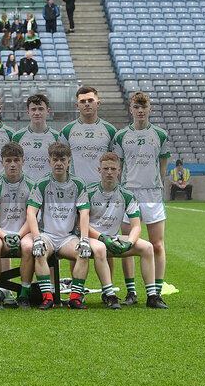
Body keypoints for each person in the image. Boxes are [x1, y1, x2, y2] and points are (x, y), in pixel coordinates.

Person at [86, 153, 168, 309]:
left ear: (119, 171)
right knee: (101, 248)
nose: (109, 172)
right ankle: (110, 295)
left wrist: (129, 243)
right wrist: (102, 238)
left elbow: (136, 226)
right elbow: (81, 224)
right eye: (106, 169)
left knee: (148, 247)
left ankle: (152, 296)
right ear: (99, 170)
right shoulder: (88, 193)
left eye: (113, 169)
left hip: (113, 237)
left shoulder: (127, 195)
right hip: (93, 239)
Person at [112, 91, 171, 306]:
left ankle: (155, 294)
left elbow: (163, 164)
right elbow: (118, 166)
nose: (140, 111)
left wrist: (158, 184)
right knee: (128, 245)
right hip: (129, 194)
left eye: (143, 107)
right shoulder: (121, 136)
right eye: (136, 107)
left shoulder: (160, 135)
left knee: (157, 245)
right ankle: (131, 292)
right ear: (131, 109)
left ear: (150, 109)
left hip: (152, 194)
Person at [28, 142, 95, 310]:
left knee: (83, 253)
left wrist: (84, 239)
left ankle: (75, 298)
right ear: (49, 161)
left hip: (68, 238)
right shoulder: (42, 183)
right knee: (39, 251)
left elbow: (84, 213)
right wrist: (37, 239)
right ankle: (47, 298)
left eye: (62, 160)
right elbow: (31, 212)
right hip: (47, 235)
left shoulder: (78, 183)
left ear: (68, 162)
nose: (59, 163)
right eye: (55, 159)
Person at [0, 142, 36, 309]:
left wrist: (19, 236)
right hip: (1, 233)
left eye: (16, 160)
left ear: (23, 161)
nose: (12, 164)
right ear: (2, 162)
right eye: (8, 160)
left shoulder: (32, 185)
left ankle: (23, 295)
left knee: (28, 247)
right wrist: (6, 236)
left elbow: (31, 218)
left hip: (24, 232)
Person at [12, 94, 60, 181]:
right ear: (28, 112)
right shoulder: (17, 136)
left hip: (48, 186)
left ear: (48, 111)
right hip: (25, 186)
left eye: (41, 109)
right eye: (33, 109)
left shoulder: (57, 136)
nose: (37, 113)